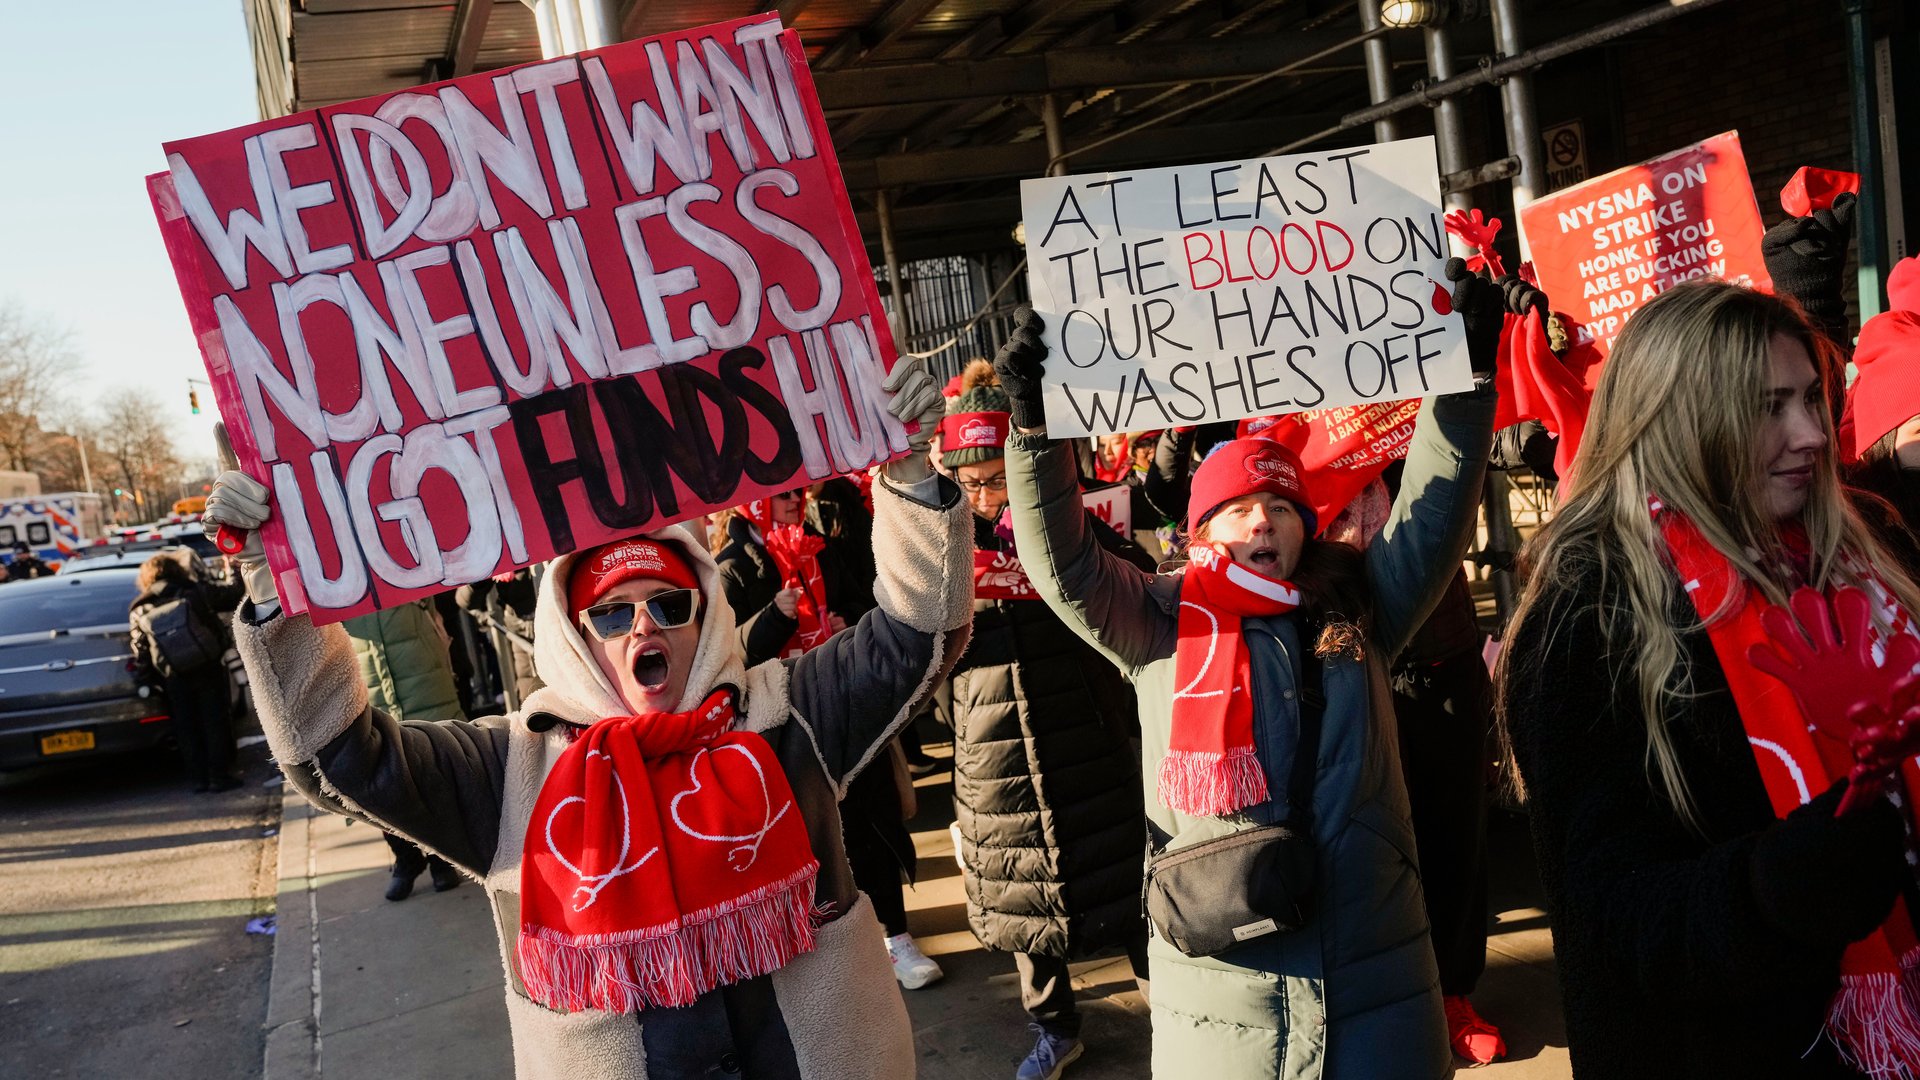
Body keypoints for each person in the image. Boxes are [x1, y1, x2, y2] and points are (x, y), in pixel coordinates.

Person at [201, 355, 967, 1078]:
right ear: (573, 638)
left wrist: (910, 479)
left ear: (706, 616)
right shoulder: (512, 768)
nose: (645, 627)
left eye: (669, 605)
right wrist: (273, 587)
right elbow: (337, 756)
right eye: (612, 615)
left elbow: (918, 635)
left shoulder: (785, 711)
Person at [994, 258, 1503, 1079]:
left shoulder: (1364, 605)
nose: (1262, 521)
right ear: (1200, 532)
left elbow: (1435, 507)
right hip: (1219, 1002)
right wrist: (1033, 429)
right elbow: (1064, 561)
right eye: (1237, 509)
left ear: (1307, 527)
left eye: (1280, 508)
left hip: (1375, 977)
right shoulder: (1154, 618)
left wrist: (1467, 380)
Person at [1498, 280, 1920, 1077]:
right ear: (1680, 419)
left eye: (1811, 398)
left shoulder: (1860, 551)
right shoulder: (1591, 613)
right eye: (1768, 408)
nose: (1812, 434)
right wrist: (1775, 886)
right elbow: (1611, 916)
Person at [941, 360, 1153, 1080]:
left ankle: (1169, 1000)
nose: (983, 496)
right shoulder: (945, 545)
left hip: (1085, 728)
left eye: (995, 479)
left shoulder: (1072, 517)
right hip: (993, 745)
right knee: (1022, 894)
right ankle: (1054, 1029)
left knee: (1126, 871)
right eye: (971, 483)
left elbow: (1135, 583)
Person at [714, 482, 938, 993]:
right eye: (782, 494)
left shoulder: (821, 546)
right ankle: (836, 955)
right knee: (818, 841)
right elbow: (729, 658)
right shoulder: (730, 569)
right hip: (786, 729)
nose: (796, 499)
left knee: (874, 821)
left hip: (847, 704)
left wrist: (848, 621)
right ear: (754, 503)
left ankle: (897, 935)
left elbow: (869, 605)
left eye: (798, 491)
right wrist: (776, 618)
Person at [341, 600, 468, 900]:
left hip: (417, 660)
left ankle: (441, 857)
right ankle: (406, 856)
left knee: (431, 765)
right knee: (378, 775)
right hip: (363, 665)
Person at [128, 552, 244, 792]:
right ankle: (219, 776)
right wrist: (232, 568)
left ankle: (198, 779)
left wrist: (145, 680)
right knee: (215, 721)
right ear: (176, 570)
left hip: (173, 675)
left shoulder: (140, 607)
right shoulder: (193, 591)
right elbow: (232, 596)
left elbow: (140, 649)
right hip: (207, 665)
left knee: (186, 727)